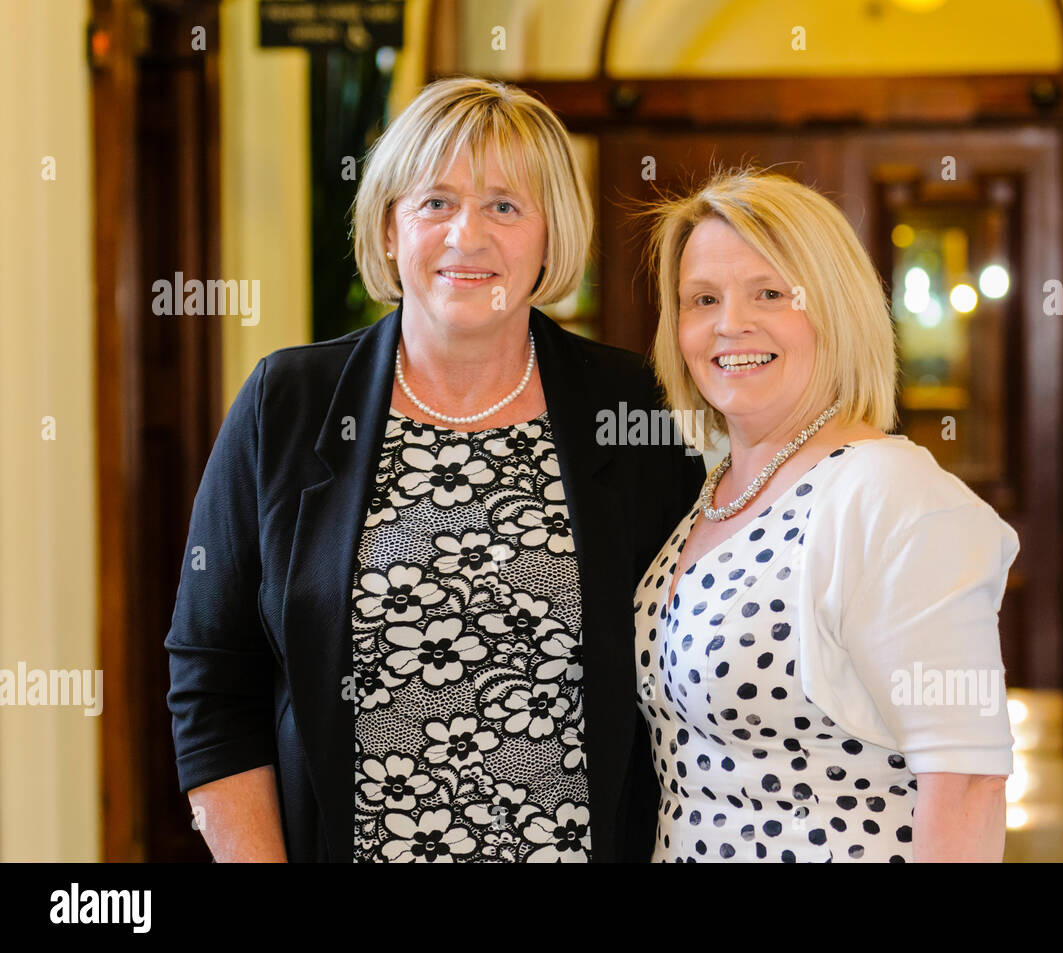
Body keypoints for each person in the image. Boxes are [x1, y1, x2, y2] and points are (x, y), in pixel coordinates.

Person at [166, 77, 703, 862]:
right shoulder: (287, 404)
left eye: (506, 206)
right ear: (389, 230)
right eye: (436, 203)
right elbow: (212, 676)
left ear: (551, 234)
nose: (467, 236)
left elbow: (685, 667)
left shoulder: (634, 408)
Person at [634, 168, 1020, 862]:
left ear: (834, 308)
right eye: (703, 298)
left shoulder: (889, 492)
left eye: (770, 293)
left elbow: (967, 783)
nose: (730, 323)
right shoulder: (714, 486)